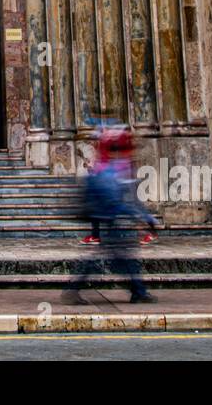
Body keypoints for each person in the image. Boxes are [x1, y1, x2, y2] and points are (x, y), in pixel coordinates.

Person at [64, 127, 158, 304]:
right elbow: (119, 202)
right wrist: (145, 218)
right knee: (119, 258)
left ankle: (138, 291)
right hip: (109, 219)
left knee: (115, 258)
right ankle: (138, 291)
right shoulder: (110, 170)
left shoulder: (106, 167)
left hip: (106, 218)